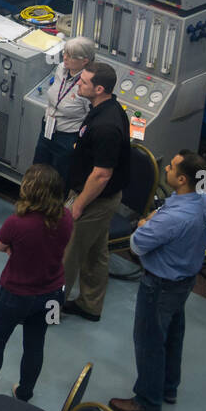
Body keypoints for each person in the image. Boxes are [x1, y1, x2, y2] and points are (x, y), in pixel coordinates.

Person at [109, 152, 206, 411]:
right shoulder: (201, 201)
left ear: (181, 178)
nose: (165, 167)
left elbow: (136, 244)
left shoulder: (172, 219)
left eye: (172, 166)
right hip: (183, 283)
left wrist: (145, 224)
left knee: (149, 342)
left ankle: (146, 402)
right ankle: (168, 387)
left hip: (160, 286)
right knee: (173, 336)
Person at [0, 164, 73, 405]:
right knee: (36, 343)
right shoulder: (66, 217)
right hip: (53, 295)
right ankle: (24, 393)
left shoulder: (17, 222)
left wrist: (16, 249)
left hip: (15, 295)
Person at [60, 61, 132, 323]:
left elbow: (102, 174)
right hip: (97, 198)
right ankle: (90, 305)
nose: (78, 83)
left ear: (99, 88)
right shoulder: (104, 108)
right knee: (96, 253)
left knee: (68, 253)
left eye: (84, 82)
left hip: (93, 200)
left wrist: (78, 205)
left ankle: (50, 309)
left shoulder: (107, 126)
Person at [32, 36, 95, 185]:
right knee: (37, 172)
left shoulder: (89, 82)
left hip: (67, 138)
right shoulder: (61, 68)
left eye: (70, 56)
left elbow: (90, 117)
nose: (64, 57)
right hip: (47, 128)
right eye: (65, 53)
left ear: (84, 61)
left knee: (57, 180)